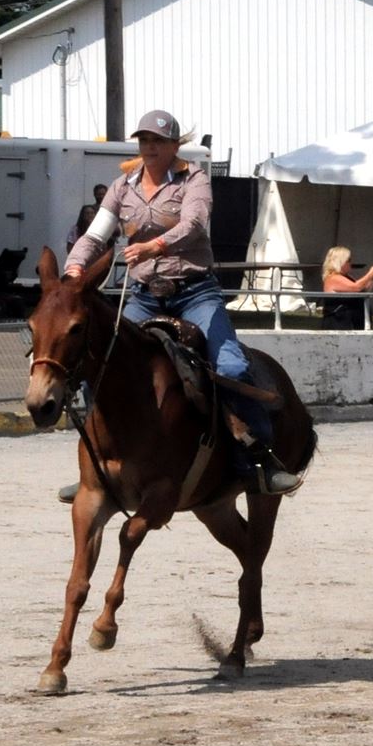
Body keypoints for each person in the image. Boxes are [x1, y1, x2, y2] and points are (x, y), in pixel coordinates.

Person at [59, 109, 299, 496]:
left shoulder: (195, 180)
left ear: (174, 145)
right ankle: (97, 468)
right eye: (144, 141)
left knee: (232, 366)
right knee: (98, 363)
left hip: (195, 293)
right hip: (143, 296)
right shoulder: (123, 186)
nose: (149, 148)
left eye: (157, 141)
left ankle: (258, 460)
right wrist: (73, 271)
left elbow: (194, 224)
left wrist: (154, 245)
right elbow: (95, 235)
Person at [319, 246, 373, 330]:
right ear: (340, 262)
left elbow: (363, 290)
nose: (350, 263)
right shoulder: (333, 278)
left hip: (351, 323)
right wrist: (370, 274)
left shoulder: (346, 277)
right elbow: (356, 287)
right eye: (348, 260)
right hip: (338, 323)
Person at [65, 183, 108, 254]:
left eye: (92, 213)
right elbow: (70, 246)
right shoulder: (75, 230)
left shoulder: (99, 229)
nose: (90, 215)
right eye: (87, 213)